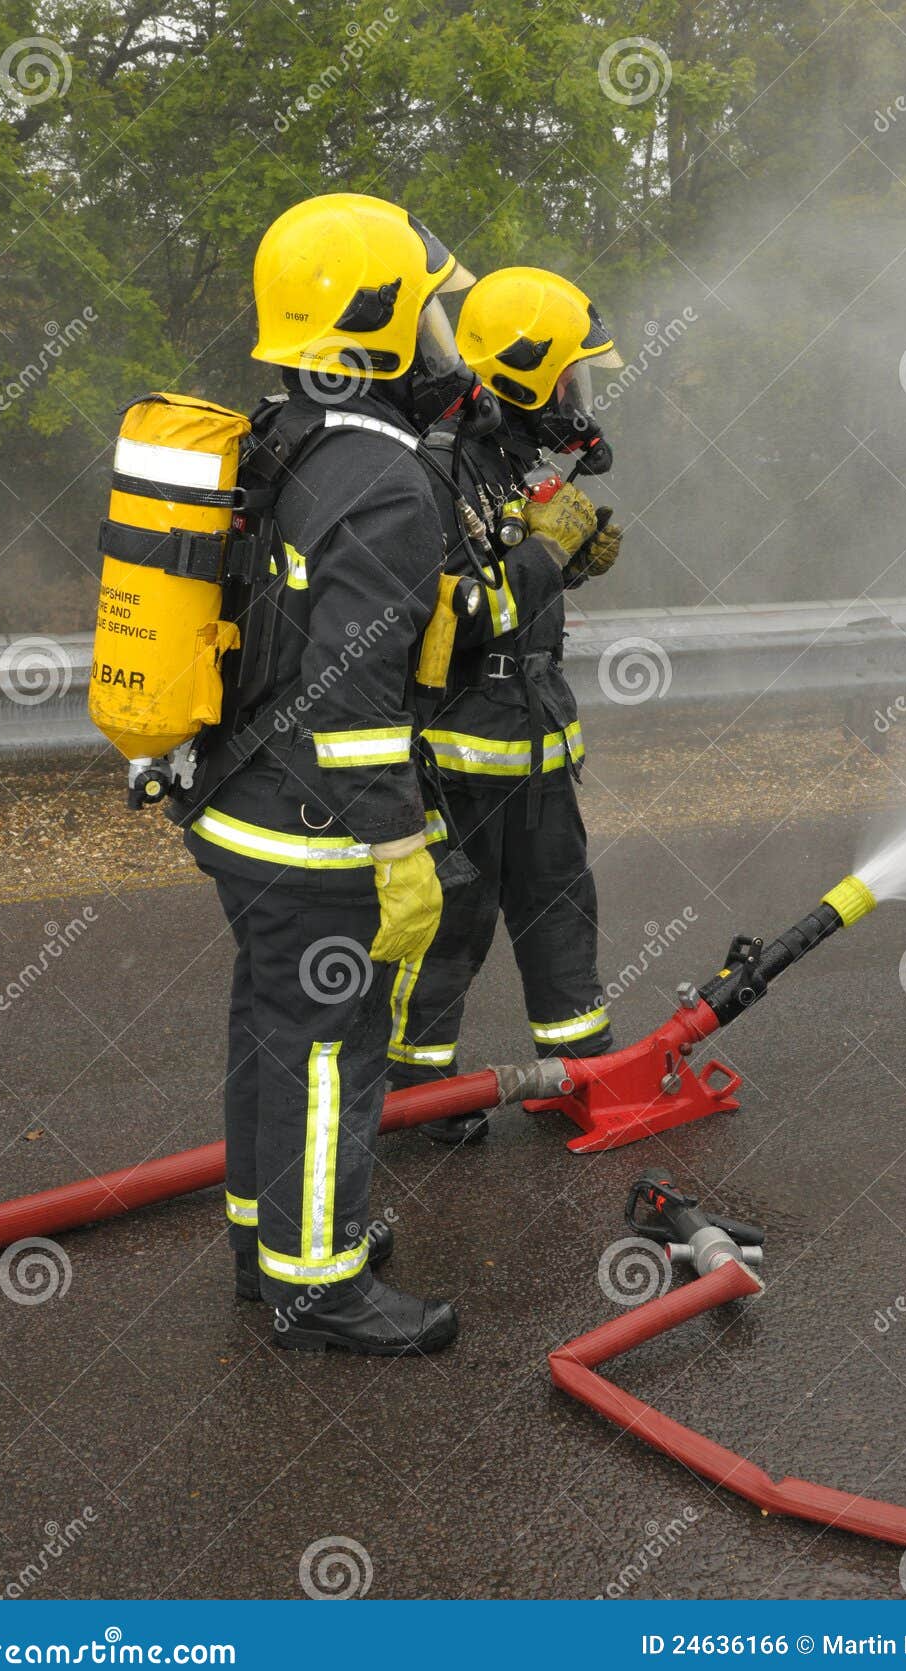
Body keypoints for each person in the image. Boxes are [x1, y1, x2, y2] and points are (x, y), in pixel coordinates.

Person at [179, 193, 488, 1354]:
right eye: (429, 315)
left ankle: (268, 1242)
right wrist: (399, 851)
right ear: (375, 324)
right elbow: (353, 700)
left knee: (270, 1024)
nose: (443, 344)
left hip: (238, 803)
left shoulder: (288, 433)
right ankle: (319, 1288)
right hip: (310, 830)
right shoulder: (386, 479)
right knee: (327, 1050)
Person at [387, 266, 625, 1144]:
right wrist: (544, 559)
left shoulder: (513, 463)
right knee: (451, 925)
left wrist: (568, 562)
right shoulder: (437, 469)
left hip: (537, 743)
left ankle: (580, 1072)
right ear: (527, 377)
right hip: (458, 758)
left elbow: (514, 587)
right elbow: (448, 618)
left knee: (562, 909)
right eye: (569, 376)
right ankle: (417, 1097)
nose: (578, 396)